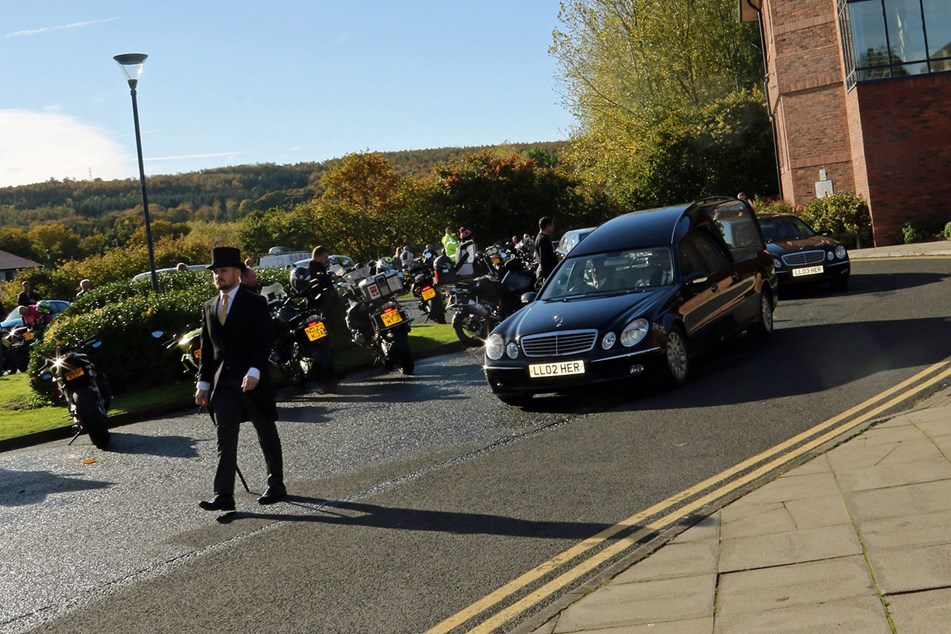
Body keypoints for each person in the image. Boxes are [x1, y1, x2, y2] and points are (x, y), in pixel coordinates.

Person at [195, 246, 285, 512]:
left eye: (223, 271)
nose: (218, 276)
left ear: (237, 273)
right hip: (223, 385)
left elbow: (263, 339)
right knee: (225, 439)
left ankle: (276, 485)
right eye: (215, 272)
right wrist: (203, 383)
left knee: (266, 433)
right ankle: (224, 495)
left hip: (251, 380)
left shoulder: (254, 302)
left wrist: (255, 370)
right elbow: (208, 349)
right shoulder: (209, 306)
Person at [306, 246, 341, 394]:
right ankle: (327, 377)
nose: (327, 260)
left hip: (322, 310)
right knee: (324, 346)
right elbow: (321, 289)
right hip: (322, 311)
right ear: (318, 256)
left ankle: (330, 376)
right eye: (325, 257)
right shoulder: (315, 270)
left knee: (325, 346)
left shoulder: (317, 268)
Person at [535, 217, 556, 285]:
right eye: (552, 224)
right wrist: (546, 276)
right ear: (547, 226)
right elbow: (543, 258)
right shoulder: (543, 240)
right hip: (548, 273)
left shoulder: (540, 237)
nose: (553, 226)